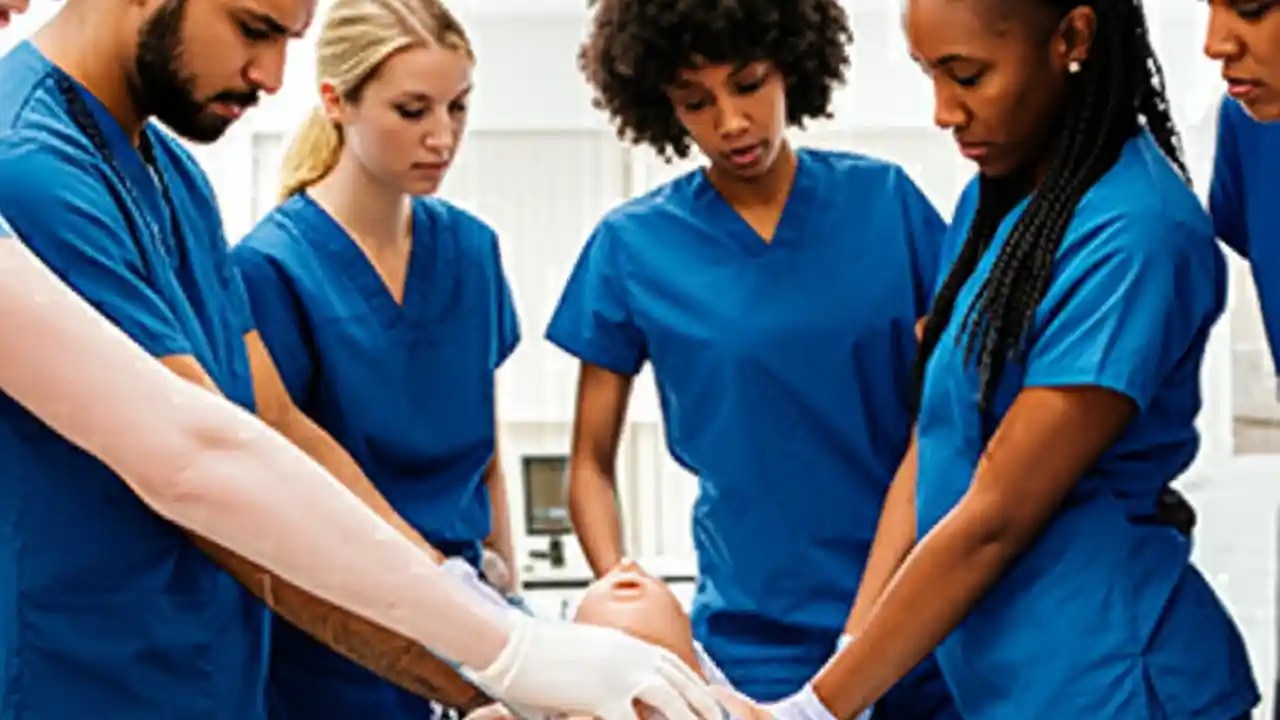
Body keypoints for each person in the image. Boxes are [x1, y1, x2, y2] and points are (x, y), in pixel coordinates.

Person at [0, 1, 719, 718]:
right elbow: (201, 465)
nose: (273, 76)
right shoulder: (27, 165)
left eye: (289, 40)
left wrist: (481, 629)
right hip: (85, 680)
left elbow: (273, 423)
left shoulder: (172, 176)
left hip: (207, 676)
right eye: (253, 29)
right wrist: (497, 662)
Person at [762, 0, 1261, 718]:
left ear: (1073, 37)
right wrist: (850, 655)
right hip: (1008, 684)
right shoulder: (994, 204)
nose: (943, 111)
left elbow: (999, 511)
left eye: (967, 75)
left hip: (1113, 684)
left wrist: (817, 709)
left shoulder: (1136, 232)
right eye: (930, 74)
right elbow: (936, 444)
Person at [549, 0, 958, 715]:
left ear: (792, 66)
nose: (731, 122)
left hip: (918, 614)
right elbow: (588, 460)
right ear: (659, 105)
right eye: (695, 102)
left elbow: (948, 419)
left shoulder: (886, 203)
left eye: (748, 84)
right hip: (752, 646)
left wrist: (863, 637)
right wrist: (624, 598)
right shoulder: (632, 248)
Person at [230, 0, 520, 717]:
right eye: (412, 111)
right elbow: (287, 478)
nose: (442, 136)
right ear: (336, 101)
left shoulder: (472, 251)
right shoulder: (270, 269)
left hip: (476, 620)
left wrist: (508, 599)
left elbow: (484, 446)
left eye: (457, 108)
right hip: (341, 644)